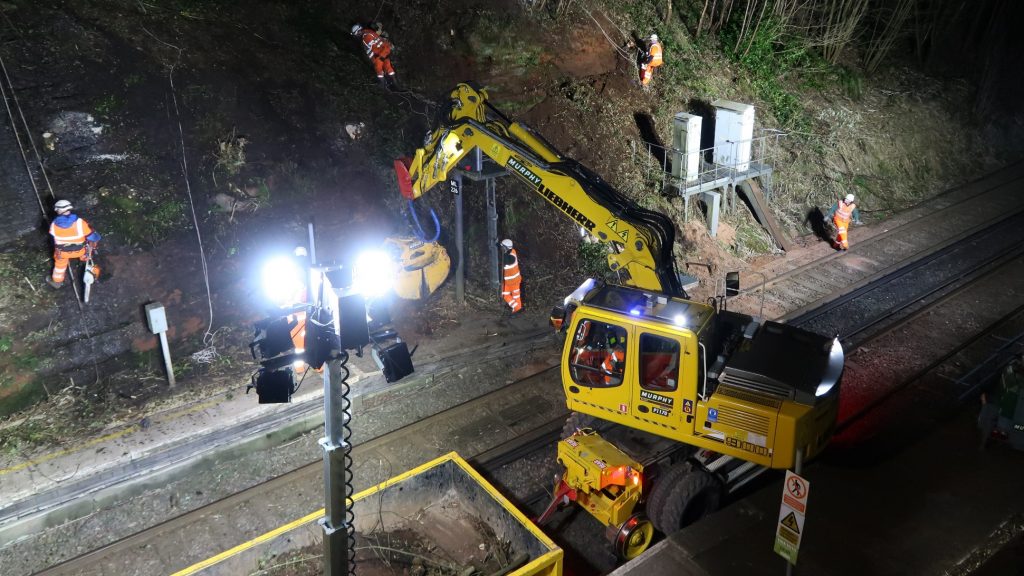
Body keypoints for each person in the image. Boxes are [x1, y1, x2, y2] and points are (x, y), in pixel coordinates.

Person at [47, 199, 101, 289]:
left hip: (62, 253)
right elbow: (92, 237)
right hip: (80, 251)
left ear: (57, 210)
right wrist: (97, 236)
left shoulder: (53, 225)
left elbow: (53, 237)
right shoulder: (80, 223)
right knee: (89, 248)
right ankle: (87, 263)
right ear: (69, 209)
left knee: (60, 266)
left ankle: (57, 282)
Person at [351, 23, 397, 88]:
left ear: (358, 31)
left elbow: (371, 49)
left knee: (379, 70)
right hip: (385, 50)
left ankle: (383, 87)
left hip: (379, 54)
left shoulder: (366, 37)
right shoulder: (368, 31)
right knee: (389, 68)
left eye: (356, 34)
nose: (357, 35)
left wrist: (375, 59)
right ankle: (395, 84)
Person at [500, 238, 522, 313]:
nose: (501, 249)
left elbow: (506, 260)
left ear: (505, 248)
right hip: (507, 282)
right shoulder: (511, 251)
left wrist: (504, 252)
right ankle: (516, 308)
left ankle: (517, 310)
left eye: (502, 247)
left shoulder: (511, 257)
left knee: (516, 297)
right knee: (504, 295)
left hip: (514, 281)